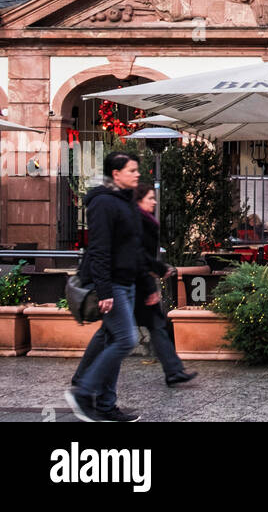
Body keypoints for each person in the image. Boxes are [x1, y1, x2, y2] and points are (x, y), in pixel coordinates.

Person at [72, 184, 199, 390]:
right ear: (139, 200)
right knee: (131, 331)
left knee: (120, 330)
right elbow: (135, 256)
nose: (154, 201)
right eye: (150, 198)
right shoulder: (136, 220)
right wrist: (152, 282)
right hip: (133, 284)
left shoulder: (140, 219)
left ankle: (173, 370)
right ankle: (85, 382)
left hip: (133, 283)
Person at [65, 151, 144, 423]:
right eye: (131, 170)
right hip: (113, 285)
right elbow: (98, 249)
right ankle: (83, 392)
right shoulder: (102, 203)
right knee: (126, 339)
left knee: (110, 338)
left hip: (127, 282)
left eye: (137, 170)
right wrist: (105, 291)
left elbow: (130, 245)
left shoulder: (126, 200)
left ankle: (106, 406)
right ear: (116, 173)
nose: (137, 174)